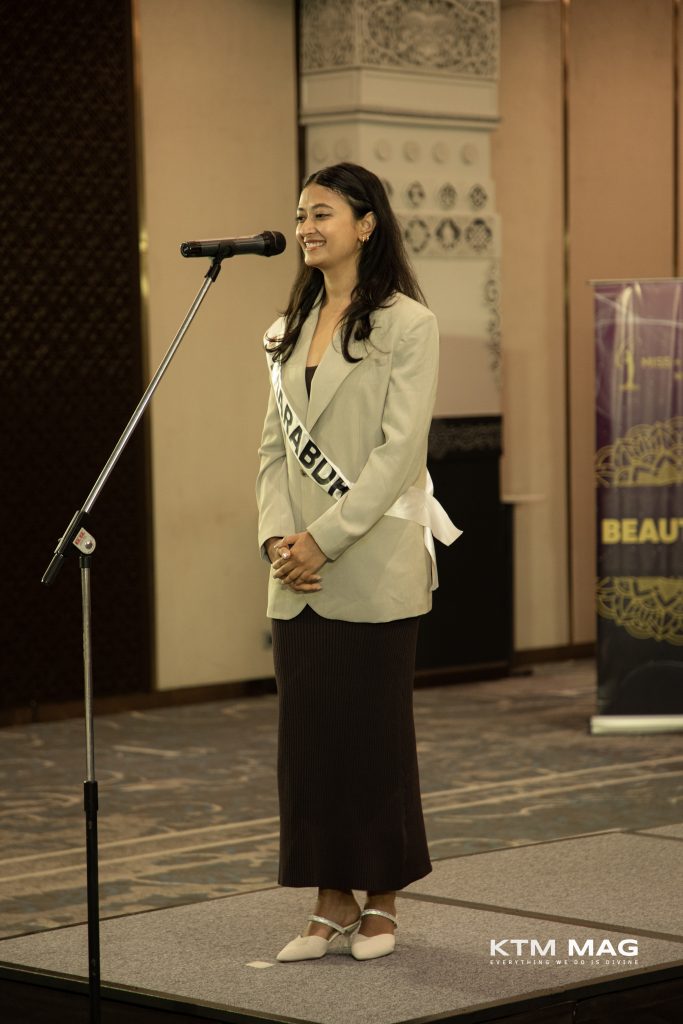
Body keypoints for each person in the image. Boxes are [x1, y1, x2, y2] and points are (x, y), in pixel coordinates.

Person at [256, 162, 458, 963]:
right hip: (295, 572)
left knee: (372, 738)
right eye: (301, 214)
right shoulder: (284, 328)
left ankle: (381, 900)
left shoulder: (408, 324)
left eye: (324, 213)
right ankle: (327, 900)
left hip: (369, 561)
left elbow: (396, 453)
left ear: (366, 224)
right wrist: (278, 538)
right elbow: (272, 451)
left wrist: (322, 539)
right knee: (306, 744)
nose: (307, 226)